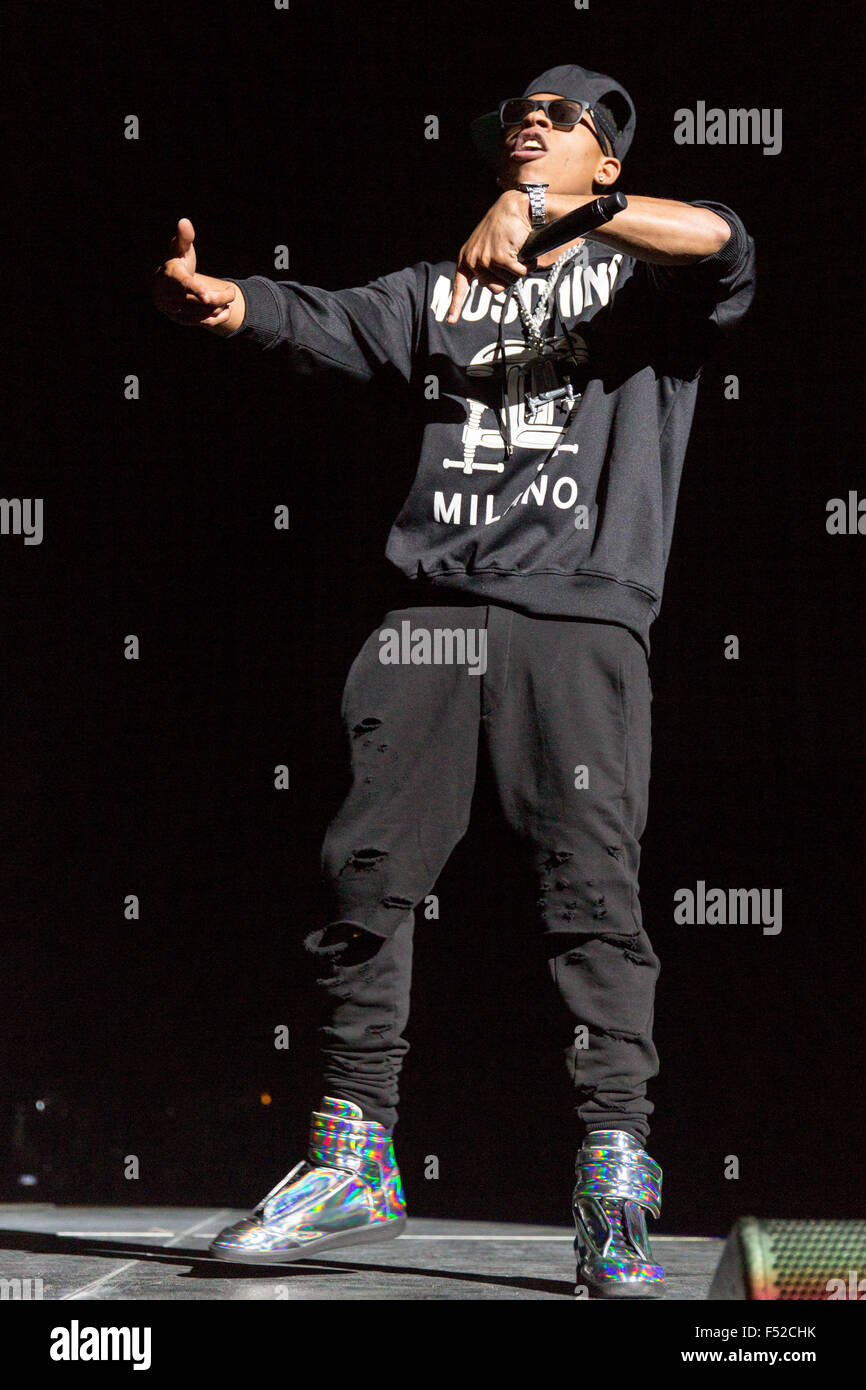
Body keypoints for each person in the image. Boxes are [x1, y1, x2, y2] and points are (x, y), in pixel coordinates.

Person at [151, 62, 755, 1298]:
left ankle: (612, 1182)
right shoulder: (444, 284)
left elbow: (721, 238)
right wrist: (226, 304)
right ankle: (353, 1157)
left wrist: (558, 219)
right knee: (362, 876)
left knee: (589, 899)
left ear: (607, 163)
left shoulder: (644, 270)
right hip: (432, 616)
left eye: (562, 120)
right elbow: (317, 315)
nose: (529, 129)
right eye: (516, 124)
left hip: (576, 622)